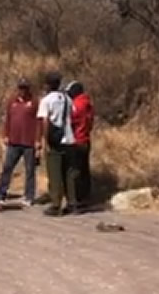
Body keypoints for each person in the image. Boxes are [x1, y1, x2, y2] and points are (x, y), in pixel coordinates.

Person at [37, 71, 79, 216]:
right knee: (69, 173)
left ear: (47, 85)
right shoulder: (67, 99)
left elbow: (45, 121)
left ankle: (56, 205)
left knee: (55, 174)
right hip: (69, 139)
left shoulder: (46, 100)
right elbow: (73, 116)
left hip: (55, 140)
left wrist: (45, 140)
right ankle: (72, 203)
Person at [0, 78, 39, 206]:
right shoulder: (12, 101)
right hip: (14, 140)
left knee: (30, 170)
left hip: (29, 141)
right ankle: (1, 193)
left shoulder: (34, 102)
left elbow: (39, 122)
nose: (22, 91)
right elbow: (8, 119)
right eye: (20, 88)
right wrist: (6, 134)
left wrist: (38, 139)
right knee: (7, 167)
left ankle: (29, 196)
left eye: (25, 88)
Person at [67, 80, 95, 212]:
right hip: (86, 139)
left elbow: (71, 120)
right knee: (84, 170)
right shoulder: (88, 103)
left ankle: (76, 200)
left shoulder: (77, 105)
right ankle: (85, 197)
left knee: (74, 171)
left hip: (76, 140)